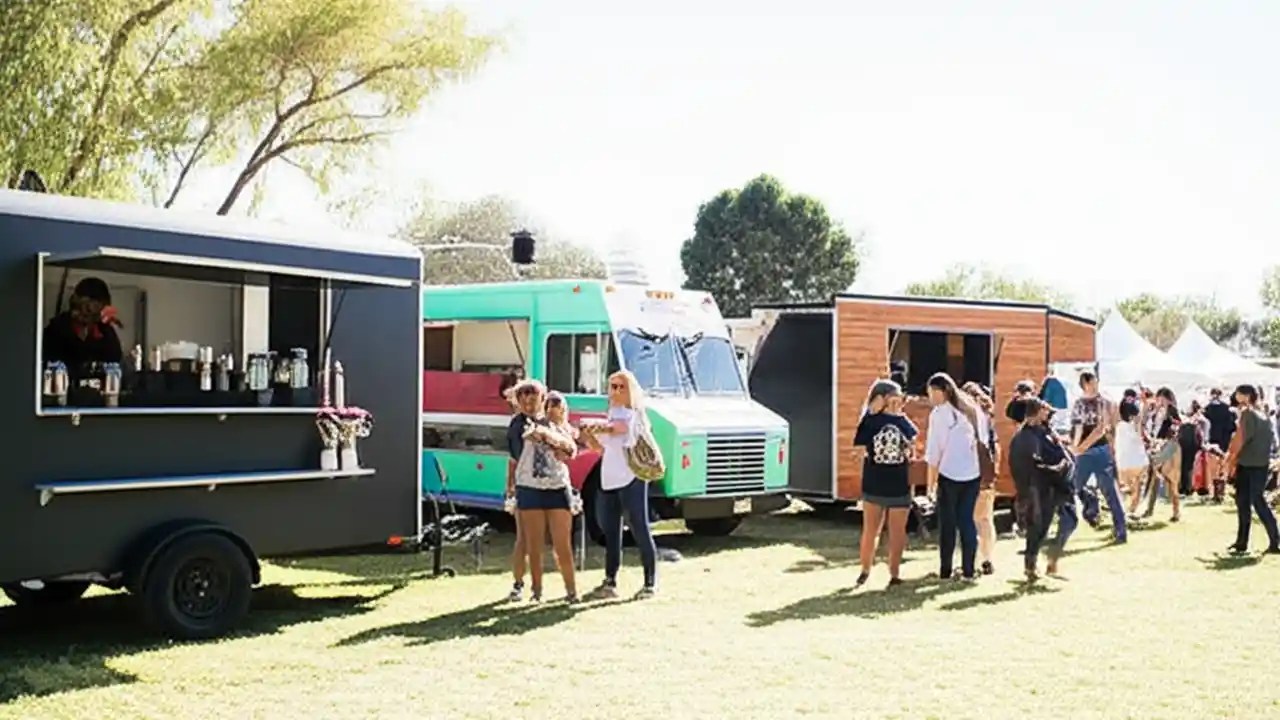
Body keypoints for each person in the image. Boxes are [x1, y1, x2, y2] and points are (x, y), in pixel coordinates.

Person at [579, 370, 659, 599]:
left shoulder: (634, 414)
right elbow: (601, 448)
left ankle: (650, 582)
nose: (615, 391)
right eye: (612, 386)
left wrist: (594, 425)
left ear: (630, 390)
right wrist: (589, 435)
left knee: (639, 527)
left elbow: (618, 429)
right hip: (609, 478)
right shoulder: (611, 413)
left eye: (620, 387)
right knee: (610, 530)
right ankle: (610, 580)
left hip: (632, 477)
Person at [511, 389, 580, 603]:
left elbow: (570, 448)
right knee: (533, 544)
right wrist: (555, 440)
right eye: (524, 401)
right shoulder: (523, 424)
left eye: (555, 405)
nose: (530, 405)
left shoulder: (560, 425)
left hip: (558, 487)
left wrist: (559, 441)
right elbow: (532, 436)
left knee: (563, 544)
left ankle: (571, 591)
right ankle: (536, 591)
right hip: (530, 487)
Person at [852, 379, 917, 588]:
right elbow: (858, 451)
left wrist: (909, 449)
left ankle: (895, 573)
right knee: (871, 529)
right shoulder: (869, 421)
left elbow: (914, 448)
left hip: (899, 482)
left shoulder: (903, 421)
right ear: (882, 398)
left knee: (898, 531)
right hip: (875, 482)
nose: (898, 401)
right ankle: (865, 569)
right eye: (894, 397)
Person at [925, 372, 986, 581]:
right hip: (973, 473)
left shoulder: (939, 414)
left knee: (948, 524)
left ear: (941, 391)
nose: (930, 397)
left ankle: (945, 570)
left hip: (949, 473)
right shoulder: (972, 409)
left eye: (932, 392)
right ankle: (969, 570)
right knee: (966, 521)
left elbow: (934, 453)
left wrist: (930, 485)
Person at [1009, 398, 1073, 580]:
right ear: (1036, 413)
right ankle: (1031, 566)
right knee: (1036, 527)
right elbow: (1033, 464)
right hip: (1034, 488)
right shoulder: (1026, 437)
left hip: (1046, 487)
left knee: (1041, 528)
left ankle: (1033, 564)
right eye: (1045, 412)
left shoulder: (1041, 432)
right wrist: (1057, 468)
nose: (1049, 416)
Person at [1063, 371, 1127, 546]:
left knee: (1109, 492)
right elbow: (1077, 429)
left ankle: (1120, 531)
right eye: (1094, 381)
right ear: (1086, 384)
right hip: (1089, 453)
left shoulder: (1104, 403)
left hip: (1097, 450)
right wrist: (1075, 447)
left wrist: (1080, 448)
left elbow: (1102, 428)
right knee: (1071, 488)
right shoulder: (1079, 404)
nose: (1097, 383)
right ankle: (1088, 513)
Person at [1224, 385, 1280, 554]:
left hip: (1247, 464)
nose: (1236, 396)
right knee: (1250, 502)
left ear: (1246, 396)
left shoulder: (1247, 414)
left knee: (1250, 502)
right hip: (1260, 464)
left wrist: (1230, 460)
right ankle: (1249, 541)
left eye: (1239, 393)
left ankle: (1268, 540)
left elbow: (1239, 440)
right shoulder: (1264, 415)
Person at [503, 381, 543, 601]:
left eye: (533, 397)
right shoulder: (517, 426)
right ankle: (518, 585)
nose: (529, 402)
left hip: (550, 485)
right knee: (524, 538)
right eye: (524, 398)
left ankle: (538, 588)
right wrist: (510, 487)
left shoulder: (548, 421)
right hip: (526, 485)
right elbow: (514, 459)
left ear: (541, 398)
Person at [42, 277, 123, 368]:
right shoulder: (55, 331)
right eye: (86, 307)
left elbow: (116, 362)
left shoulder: (105, 333)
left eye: (97, 310)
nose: (87, 314)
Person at [962, 381, 1000, 575]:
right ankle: (988, 559)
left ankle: (973, 560)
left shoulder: (967, 419)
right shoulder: (989, 419)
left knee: (970, 519)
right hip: (988, 473)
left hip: (969, 472)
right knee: (986, 519)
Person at [1141, 387, 1182, 522]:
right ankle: (1151, 509)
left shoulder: (1171, 410)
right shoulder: (1159, 411)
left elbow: (1177, 425)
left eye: (1159, 398)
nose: (1158, 400)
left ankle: (1175, 512)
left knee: (1170, 479)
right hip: (1160, 445)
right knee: (1156, 477)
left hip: (1169, 446)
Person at [1115, 400, 1149, 517]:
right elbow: (1139, 438)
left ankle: (1125, 510)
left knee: (1126, 487)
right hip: (1137, 462)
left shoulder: (1119, 426)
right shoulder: (1133, 426)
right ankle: (1132, 510)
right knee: (1138, 486)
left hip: (1122, 464)